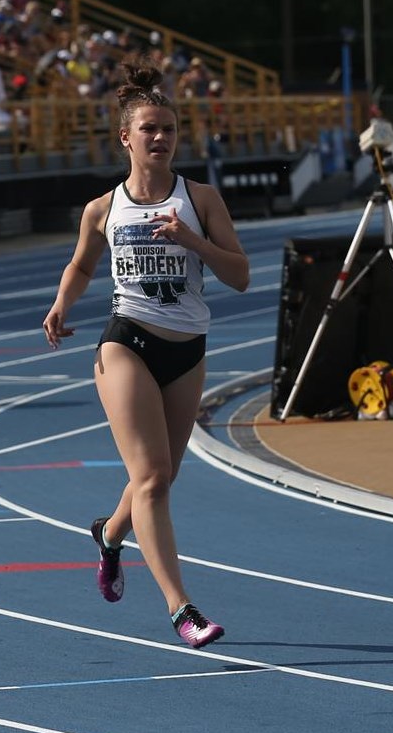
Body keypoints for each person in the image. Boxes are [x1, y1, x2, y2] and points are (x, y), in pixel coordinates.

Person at [42, 58, 250, 649]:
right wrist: (61, 303)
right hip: (126, 342)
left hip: (187, 351)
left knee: (159, 479)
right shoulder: (103, 209)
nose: (160, 138)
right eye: (149, 129)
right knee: (153, 479)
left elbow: (240, 276)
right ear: (125, 138)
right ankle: (182, 609)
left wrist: (191, 240)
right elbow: (82, 265)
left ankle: (110, 535)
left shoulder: (200, 199)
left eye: (169, 129)